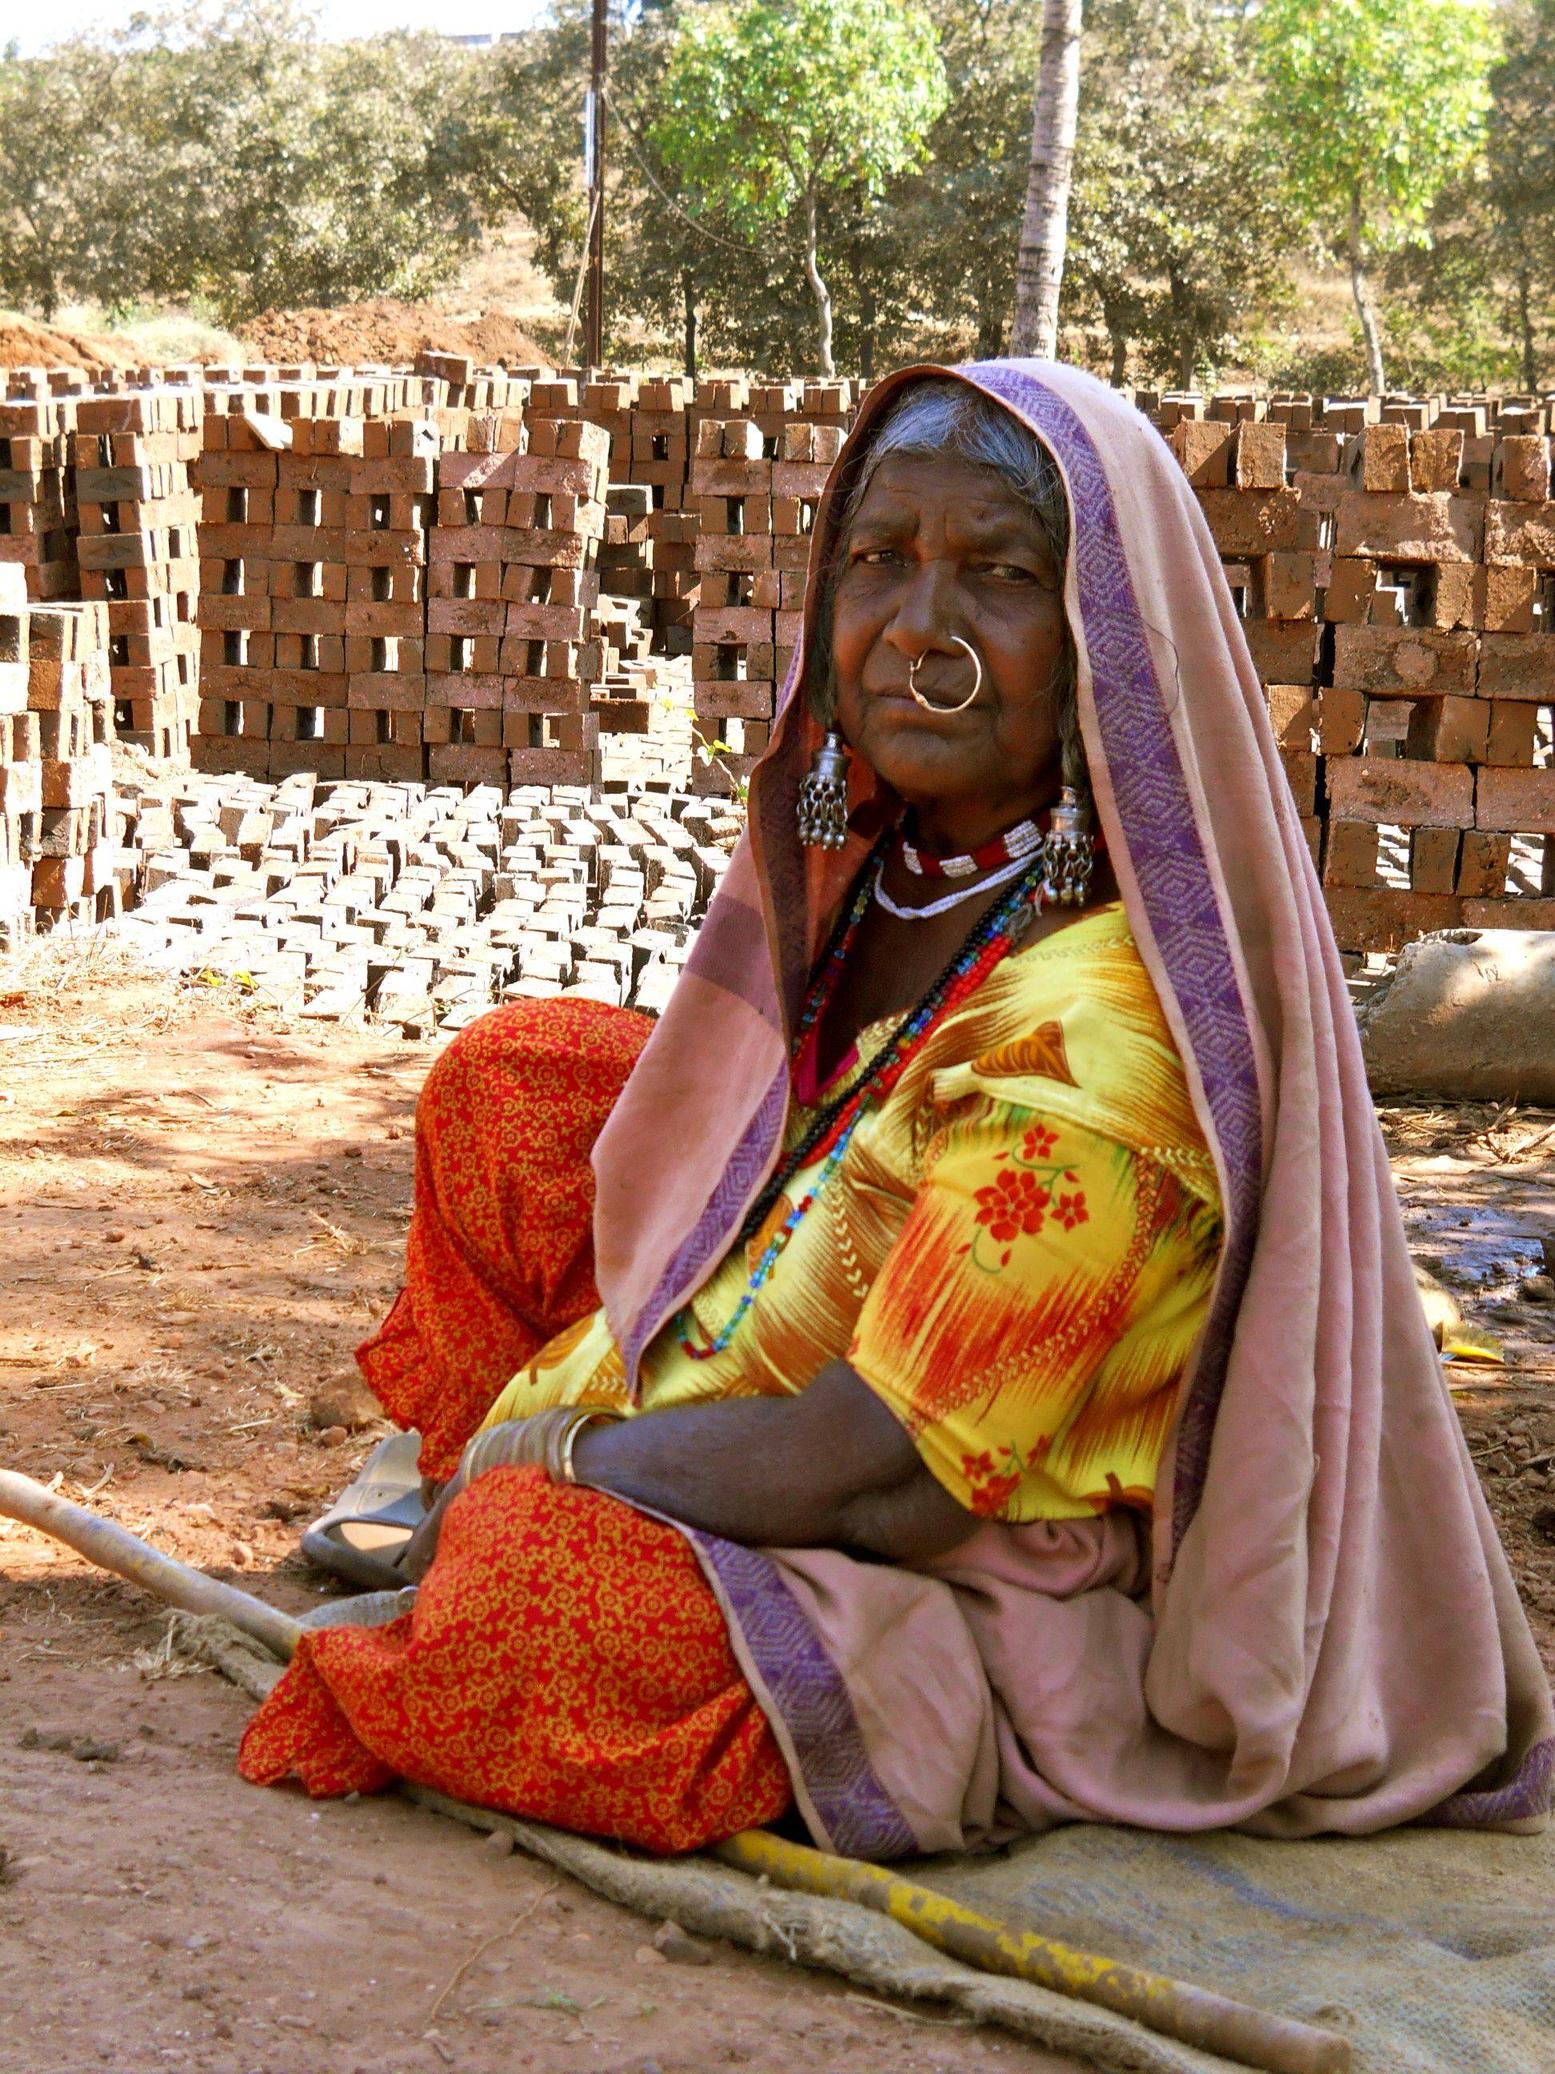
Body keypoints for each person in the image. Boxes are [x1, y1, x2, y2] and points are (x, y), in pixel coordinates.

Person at [240, 361, 1553, 1857]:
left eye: (996, 574)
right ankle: (490, 1499)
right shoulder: (889, 858)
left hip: (943, 1533)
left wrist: (549, 1457)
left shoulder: (1104, 1039)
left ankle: (526, 1540)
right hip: (777, 1356)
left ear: (1101, 647)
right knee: (519, 1083)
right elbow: (763, 1157)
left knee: (538, 1589)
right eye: (879, 561)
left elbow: (890, 1477)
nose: (917, 632)